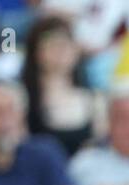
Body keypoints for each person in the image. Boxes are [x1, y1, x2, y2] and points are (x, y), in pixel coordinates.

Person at [21, 15, 105, 158]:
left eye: (66, 43)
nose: (61, 50)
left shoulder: (95, 99)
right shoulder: (21, 98)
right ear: (36, 51)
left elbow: (100, 148)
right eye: (52, 44)